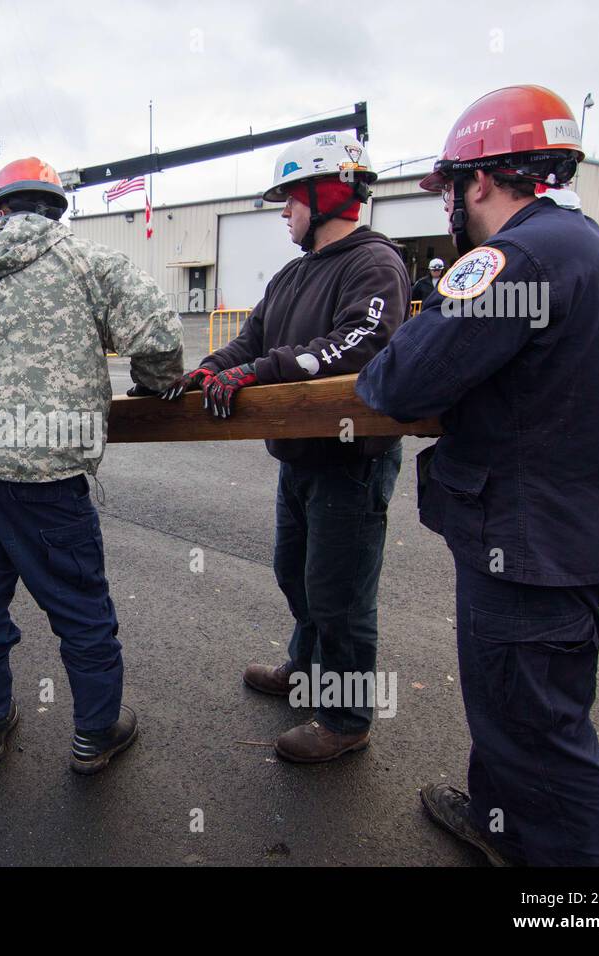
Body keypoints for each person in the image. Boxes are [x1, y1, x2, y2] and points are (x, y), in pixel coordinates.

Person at [356, 85, 599, 866]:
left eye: (450, 188)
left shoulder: (516, 258)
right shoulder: (586, 246)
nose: (451, 202)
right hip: (568, 531)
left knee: (543, 742)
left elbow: (399, 383)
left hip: (530, 545)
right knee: (511, 712)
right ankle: (498, 821)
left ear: (478, 180)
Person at [159, 131, 408, 762]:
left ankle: (347, 718)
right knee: (294, 573)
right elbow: (251, 341)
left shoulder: (374, 264)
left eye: (290, 199)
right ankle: (306, 668)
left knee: (341, 593)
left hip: (350, 461)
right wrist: (211, 367)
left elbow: (360, 345)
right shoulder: (296, 273)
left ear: (326, 195)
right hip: (298, 456)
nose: (284, 212)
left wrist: (263, 371)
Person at [0, 156, 185, 774]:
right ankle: (95, 735)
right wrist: (159, 385)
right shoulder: (87, 261)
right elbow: (156, 336)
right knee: (78, 606)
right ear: (54, 209)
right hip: (44, 469)